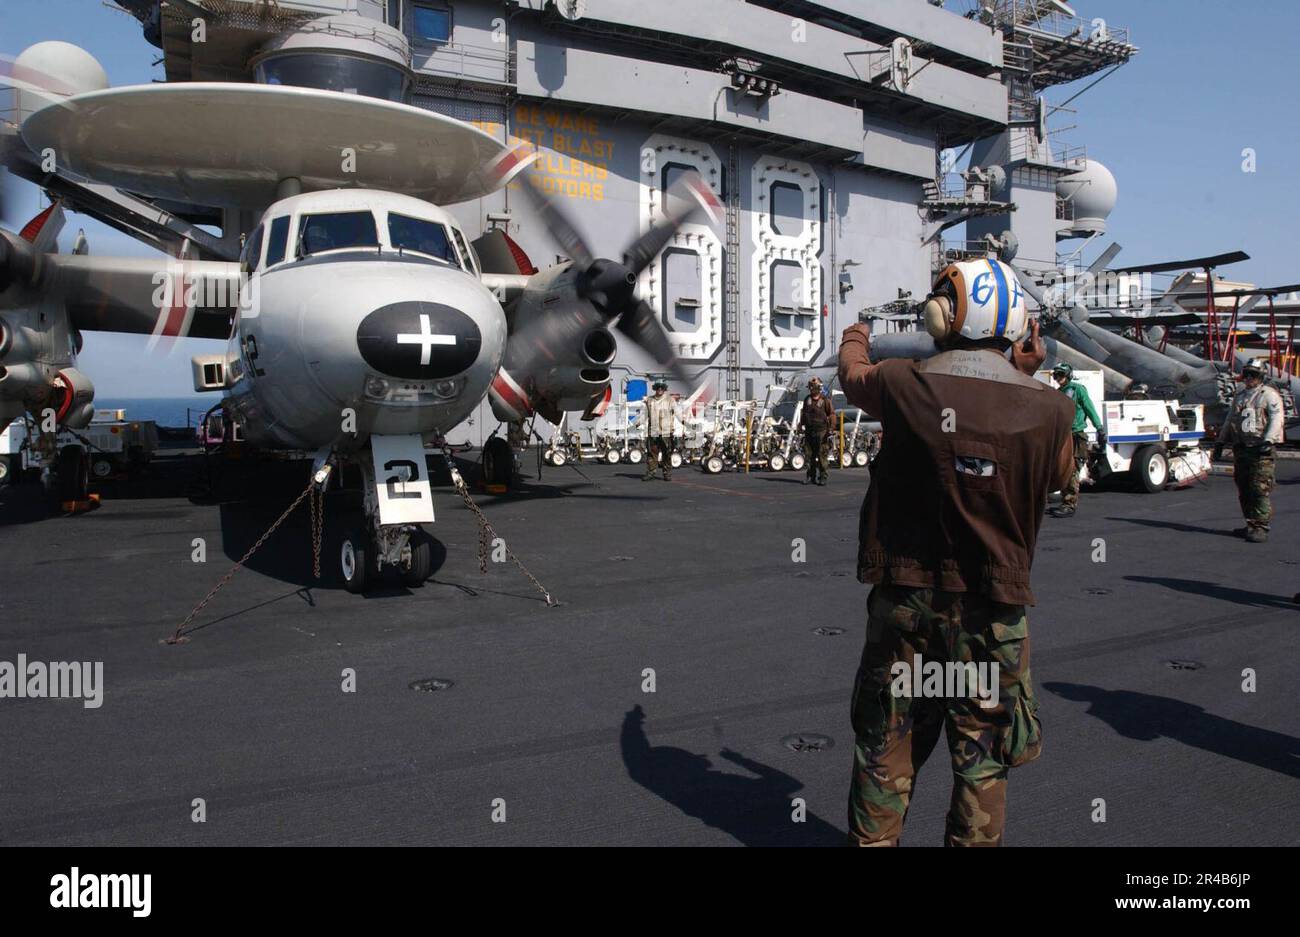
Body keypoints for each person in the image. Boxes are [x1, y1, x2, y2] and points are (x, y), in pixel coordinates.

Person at [837, 282, 1075, 847]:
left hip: (906, 611)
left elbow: (852, 374)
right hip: (992, 619)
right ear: (1018, 328)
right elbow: (1060, 477)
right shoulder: (1051, 409)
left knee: (885, 747)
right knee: (983, 759)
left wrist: (858, 330)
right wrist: (1029, 375)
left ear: (943, 317)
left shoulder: (903, 384)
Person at [1213, 358, 1284, 543]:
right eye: (1247, 374)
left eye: (1254, 374)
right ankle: (1251, 523)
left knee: (1259, 487)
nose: (1250, 378)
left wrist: (1269, 439)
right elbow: (1230, 419)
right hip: (1241, 448)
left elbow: (1277, 418)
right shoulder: (1241, 396)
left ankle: (1261, 526)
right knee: (1244, 488)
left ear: (1261, 376)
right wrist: (1220, 441)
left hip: (1261, 448)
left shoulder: (1269, 395)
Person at [1048, 362, 1106, 518]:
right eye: (1056, 374)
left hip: (1077, 435)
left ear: (1068, 375)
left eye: (1061, 374)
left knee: (1073, 469)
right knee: (1060, 467)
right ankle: (1064, 500)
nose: (1058, 377)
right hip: (1063, 435)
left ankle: (1069, 504)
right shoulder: (1059, 392)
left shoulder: (1077, 390)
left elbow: (1089, 408)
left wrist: (1099, 428)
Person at [797, 377, 836, 485]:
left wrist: (831, 428)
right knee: (809, 455)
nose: (810, 389)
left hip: (822, 432)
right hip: (809, 430)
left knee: (821, 455)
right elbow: (804, 413)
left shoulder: (825, 401)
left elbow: (832, 414)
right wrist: (801, 424)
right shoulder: (807, 400)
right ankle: (810, 476)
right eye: (810, 387)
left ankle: (823, 477)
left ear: (817, 388)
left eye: (812, 387)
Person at [642, 381, 676, 481]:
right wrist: (637, 423)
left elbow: (677, 412)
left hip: (666, 431)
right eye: (658, 388)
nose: (659, 390)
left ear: (664, 389)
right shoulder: (649, 400)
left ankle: (667, 473)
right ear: (655, 388)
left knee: (667, 453)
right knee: (652, 453)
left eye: (661, 388)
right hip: (653, 431)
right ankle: (651, 472)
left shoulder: (670, 400)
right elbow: (645, 414)